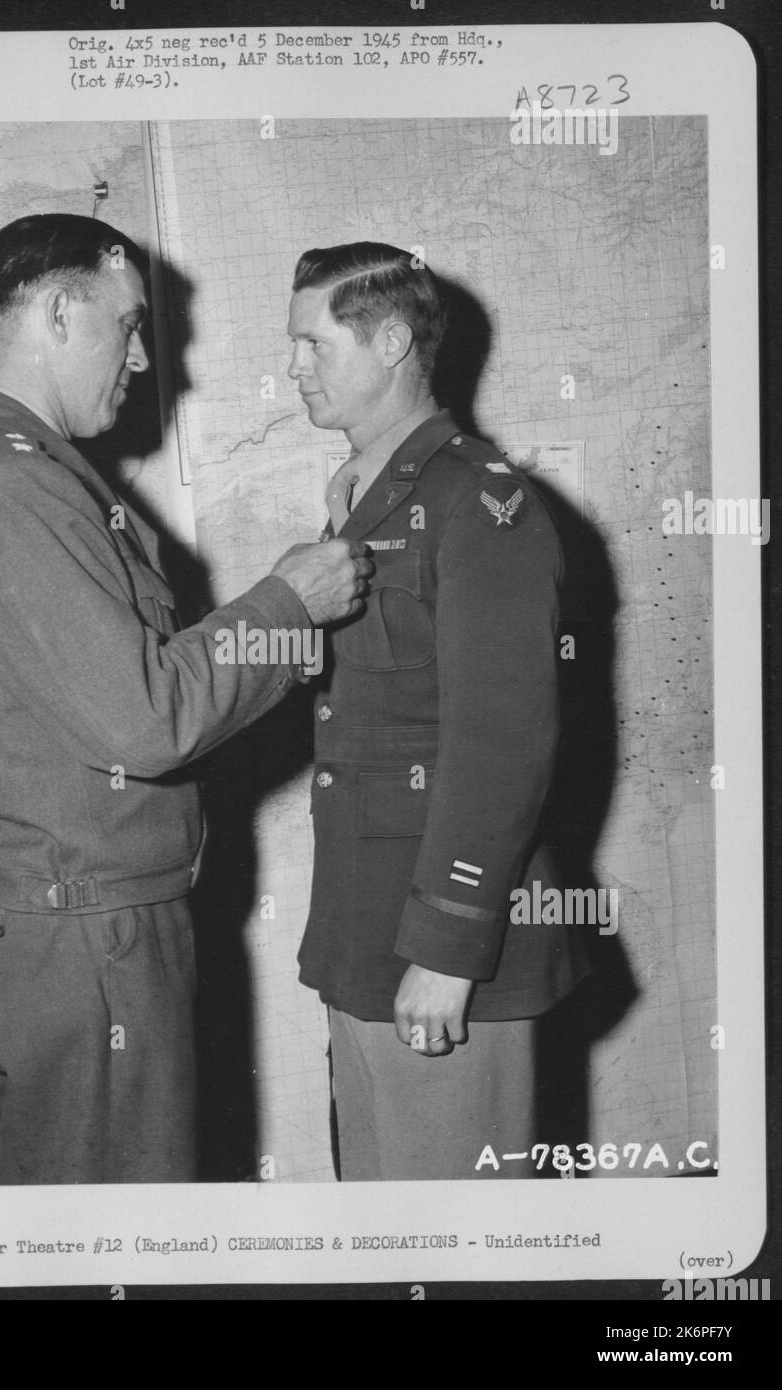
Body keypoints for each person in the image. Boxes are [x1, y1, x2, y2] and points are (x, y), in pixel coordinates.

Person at [0, 214, 369, 1185]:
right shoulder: (10, 490)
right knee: (119, 1248)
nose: (145, 356)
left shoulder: (19, 476)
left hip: (80, 927)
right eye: (128, 323)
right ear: (62, 312)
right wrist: (291, 604)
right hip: (84, 940)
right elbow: (144, 719)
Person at [287, 242, 590, 1180]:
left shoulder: (482, 502)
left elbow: (501, 742)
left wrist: (450, 950)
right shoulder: (372, 500)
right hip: (366, 938)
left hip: (446, 954)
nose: (293, 369)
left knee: (456, 1242)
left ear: (388, 341)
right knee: (384, 1234)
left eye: (311, 345)